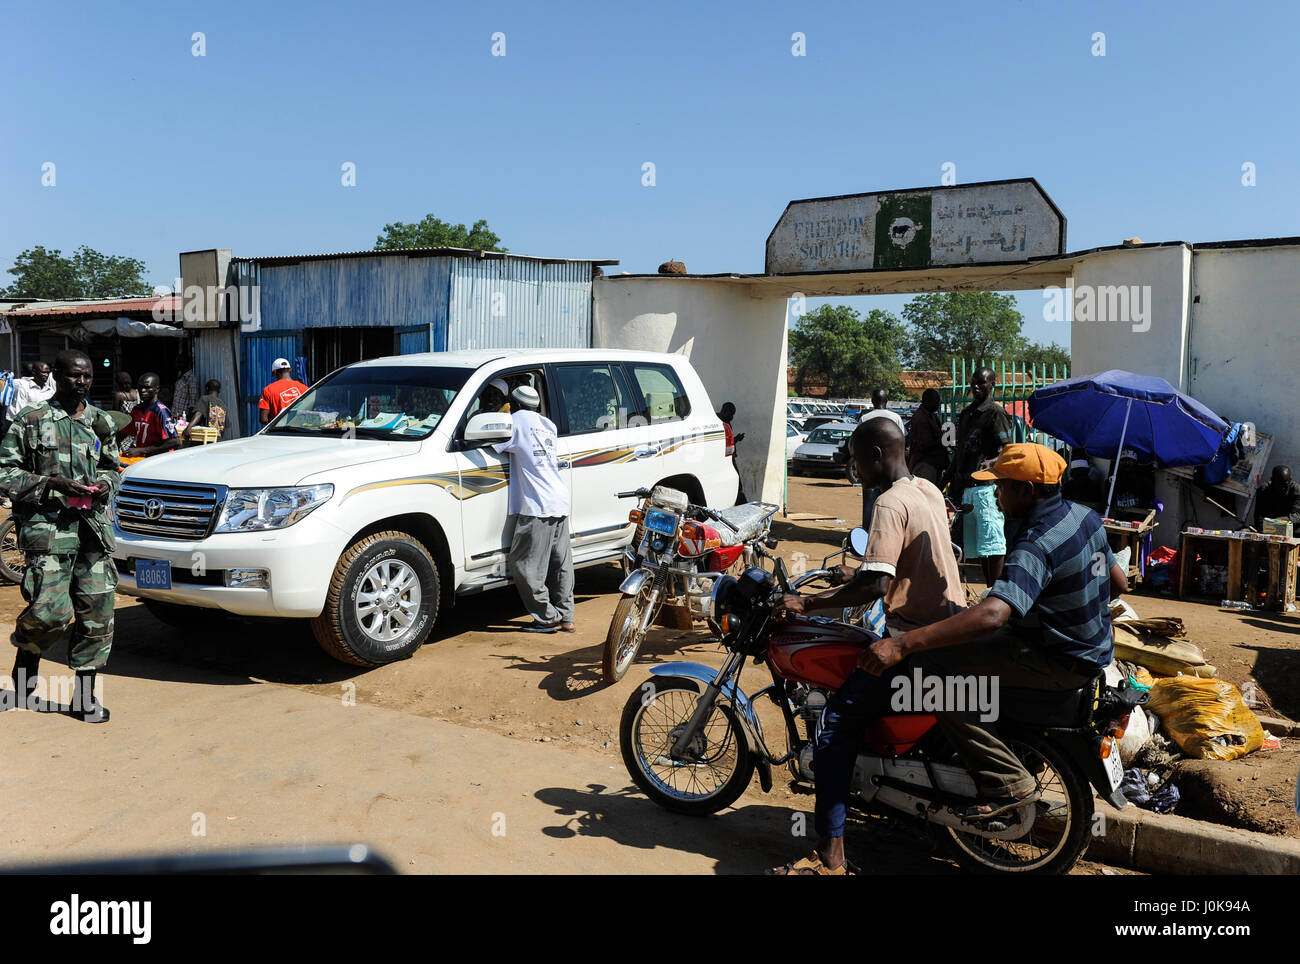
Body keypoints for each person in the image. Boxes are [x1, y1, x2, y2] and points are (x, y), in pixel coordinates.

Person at [861, 444, 1128, 822]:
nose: (996, 495)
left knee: (929, 673)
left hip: (1054, 658)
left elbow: (993, 615)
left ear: (1027, 491)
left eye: (1001, 486)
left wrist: (902, 643)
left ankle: (1006, 782)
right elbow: (1118, 583)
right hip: (1094, 652)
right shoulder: (1085, 517)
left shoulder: (1036, 543)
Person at [768, 418, 967, 875]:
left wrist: (808, 603)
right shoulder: (927, 489)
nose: (856, 469)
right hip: (951, 629)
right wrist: (851, 576)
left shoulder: (888, 503)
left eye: (858, 459)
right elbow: (911, 559)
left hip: (914, 638)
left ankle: (829, 856)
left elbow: (876, 585)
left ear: (876, 455)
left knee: (834, 729)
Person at [0, 350, 121, 723]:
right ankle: (23, 681)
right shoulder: (32, 420)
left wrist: (104, 483)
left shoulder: (101, 421)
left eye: (86, 376)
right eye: (73, 376)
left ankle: (84, 698)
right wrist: (51, 483)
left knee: (97, 615)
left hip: (92, 531)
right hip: (49, 531)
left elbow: (112, 467)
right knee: (49, 612)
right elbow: (6, 473)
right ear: (57, 378)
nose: (81, 382)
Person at [495, 385, 575, 633]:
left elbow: (495, 445)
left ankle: (546, 617)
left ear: (515, 404)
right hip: (559, 499)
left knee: (523, 564)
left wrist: (500, 415)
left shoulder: (515, 421)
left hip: (537, 503)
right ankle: (566, 617)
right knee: (560, 564)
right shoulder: (548, 424)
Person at [941, 366, 1014, 586]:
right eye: (973, 382)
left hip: (987, 489)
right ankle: (988, 590)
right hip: (966, 490)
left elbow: (1008, 448)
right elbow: (960, 452)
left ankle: (997, 592)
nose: (975, 386)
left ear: (992, 384)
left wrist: (993, 461)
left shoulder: (996, 413)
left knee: (993, 544)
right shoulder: (966, 414)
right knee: (980, 548)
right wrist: (944, 482)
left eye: (981, 382)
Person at [857, 389, 905, 528]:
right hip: (890, 468)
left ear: (872, 401)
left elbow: (859, 441)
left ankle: (867, 533)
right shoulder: (895, 417)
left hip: (871, 466)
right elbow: (902, 441)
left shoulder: (865, 418)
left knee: (869, 502)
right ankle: (888, 529)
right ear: (886, 401)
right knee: (891, 502)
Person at [123, 373, 181, 457]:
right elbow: (125, 432)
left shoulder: (161, 411)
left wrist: (142, 450)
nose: (142, 390)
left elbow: (175, 441)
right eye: (140, 387)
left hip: (159, 460)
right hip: (142, 458)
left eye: (147, 387)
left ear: (157, 389)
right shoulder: (137, 410)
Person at [906, 388, 949, 485]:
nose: (938, 404)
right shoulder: (921, 418)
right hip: (924, 465)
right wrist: (942, 439)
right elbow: (924, 445)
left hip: (933, 465)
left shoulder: (932, 416)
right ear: (928, 401)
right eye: (936, 401)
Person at [258, 358, 310, 425]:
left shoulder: (268, 390)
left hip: (279, 432)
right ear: (290, 370)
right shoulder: (305, 388)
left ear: (274, 373)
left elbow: (263, 419)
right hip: (301, 431)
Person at [6, 360, 54, 429]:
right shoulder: (23, 388)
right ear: (34, 372)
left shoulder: (50, 391)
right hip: (26, 428)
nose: (46, 375)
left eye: (48, 373)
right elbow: (19, 411)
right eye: (43, 372)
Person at [1254, 465, 1300, 530]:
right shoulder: (1264, 490)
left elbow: (1297, 516)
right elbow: (1259, 515)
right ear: (1272, 480)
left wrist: (1275, 522)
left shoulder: (1297, 490)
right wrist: (1262, 527)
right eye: (1278, 484)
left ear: (1290, 480)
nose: (1282, 488)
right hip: (1269, 528)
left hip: (1292, 530)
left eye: (1284, 485)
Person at [718, 402, 747, 503]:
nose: (732, 417)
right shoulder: (718, 422)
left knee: (737, 484)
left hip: (730, 457)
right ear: (725, 411)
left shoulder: (726, 422)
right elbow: (722, 443)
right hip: (724, 459)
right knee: (737, 485)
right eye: (731, 414)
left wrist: (736, 439)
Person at [172, 349, 199, 422]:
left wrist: (188, 420)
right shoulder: (180, 377)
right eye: (177, 362)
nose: (177, 364)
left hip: (184, 417)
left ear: (187, 363)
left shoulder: (191, 379)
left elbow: (193, 401)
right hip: (175, 414)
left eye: (180, 362)